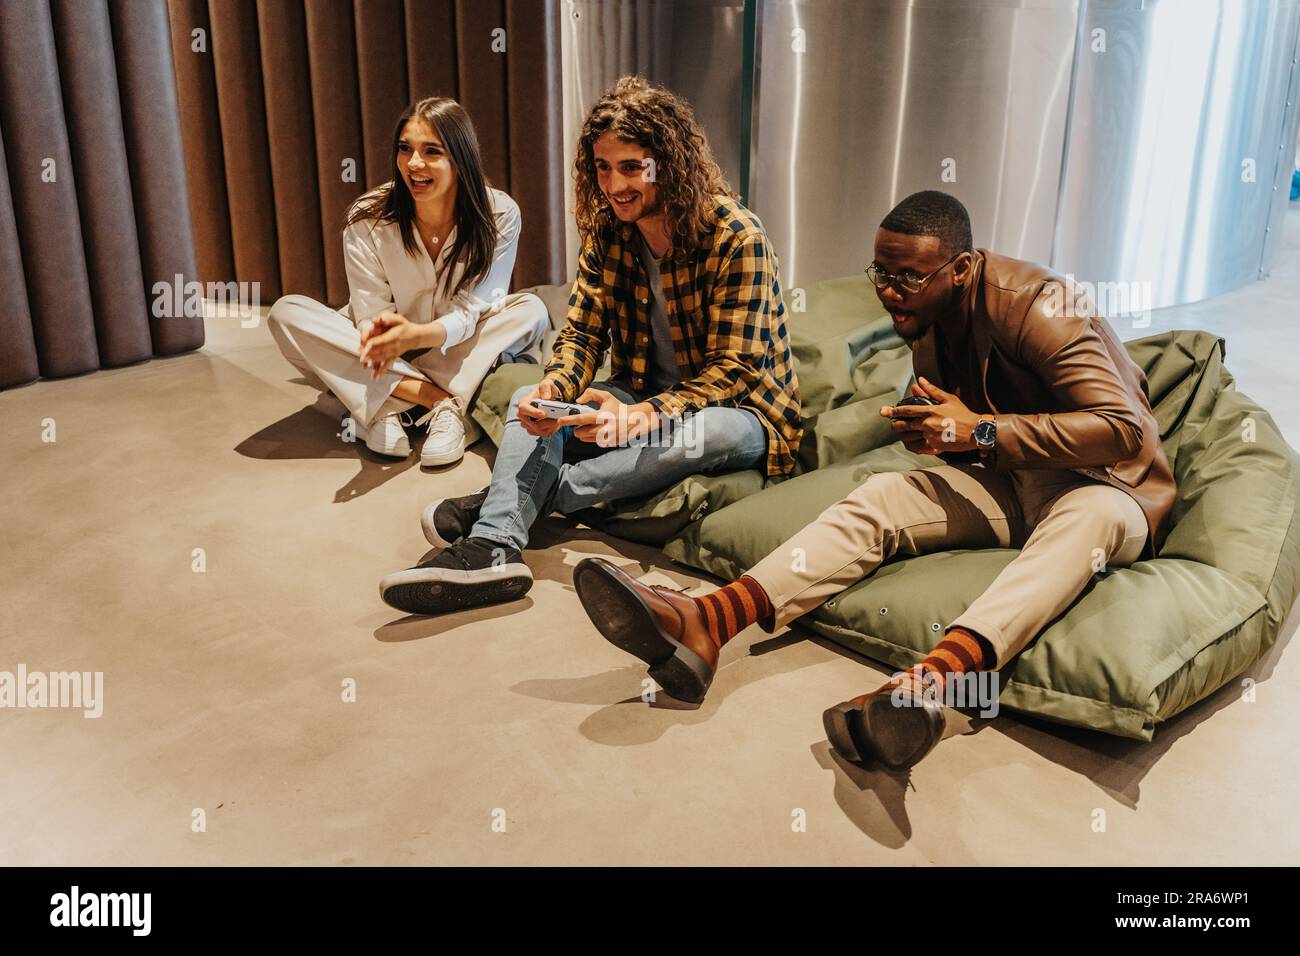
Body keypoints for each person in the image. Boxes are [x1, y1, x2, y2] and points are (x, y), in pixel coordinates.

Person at [573, 190, 1176, 771]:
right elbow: (968, 425)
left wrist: (980, 432)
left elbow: (1122, 428)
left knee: (1082, 522)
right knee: (886, 493)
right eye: (880, 273)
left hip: (1108, 487)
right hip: (1013, 478)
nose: (889, 291)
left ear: (962, 267)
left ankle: (927, 688)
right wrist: (938, 435)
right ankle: (709, 621)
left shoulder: (1039, 303)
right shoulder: (928, 320)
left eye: (909, 276)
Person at [377, 76, 802, 614]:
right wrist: (555, 387)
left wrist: (643, 416)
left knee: (704, 431)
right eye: (603, 167)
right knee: (525, 402)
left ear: (668, 163)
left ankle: (505, 507)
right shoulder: (608, 230)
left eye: (631, 167)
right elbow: (582, 332)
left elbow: (733, 370)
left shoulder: (737, 236)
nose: (613, 184)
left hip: (743, 411)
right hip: (640, 386)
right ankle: (493, 550)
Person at [267, 96, 548, 467]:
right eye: (405, 148)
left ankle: (378, 399)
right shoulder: (367, 218)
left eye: (432, 151)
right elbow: (370, 318)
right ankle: (442, 403)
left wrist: (420, 336)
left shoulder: (500, 213)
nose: (414, 163)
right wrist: (392, 342)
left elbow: (473, 309)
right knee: (286, 313)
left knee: (531, 311)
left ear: (461, 159)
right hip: (388, 350)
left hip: (455, 343)